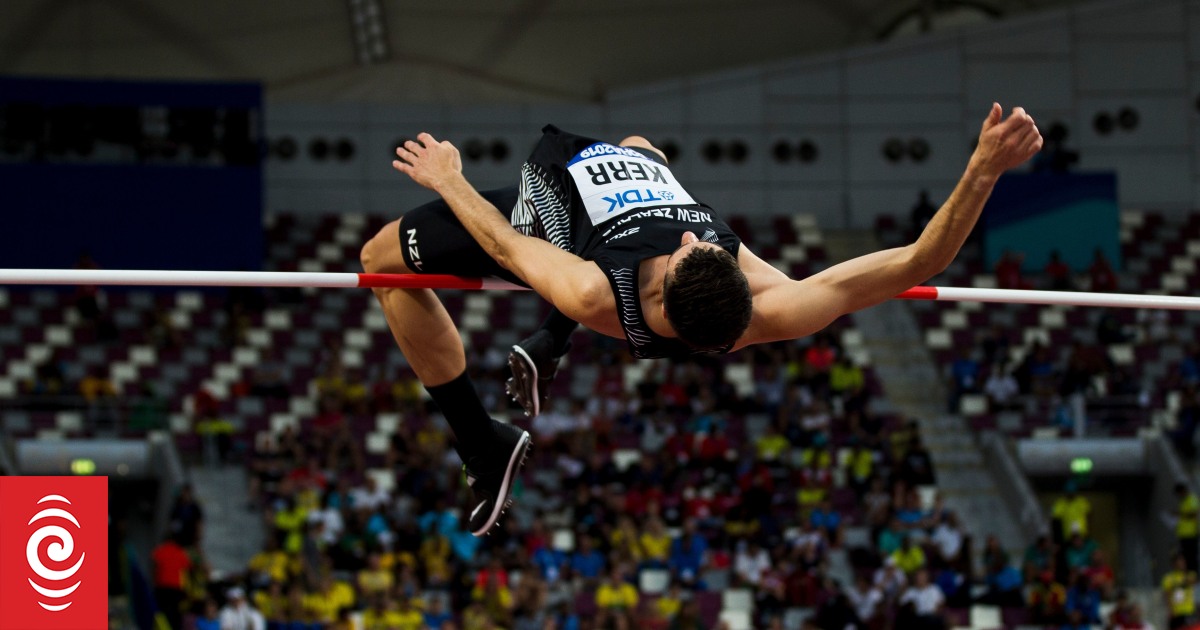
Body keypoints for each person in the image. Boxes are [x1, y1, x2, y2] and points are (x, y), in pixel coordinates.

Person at [369, 104, 1042, 532]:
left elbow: (505, 245)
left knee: (381, 260)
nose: (693, 239)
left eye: (688, 252)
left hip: (553, 212)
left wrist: (448, 177)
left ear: (660, 294)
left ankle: (481, 441)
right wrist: (983, 171)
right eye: (705, 244)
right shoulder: (766, 304)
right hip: (626, 169)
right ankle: (549, 344)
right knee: (642, 141)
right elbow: (919, 262)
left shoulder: (591, 292)